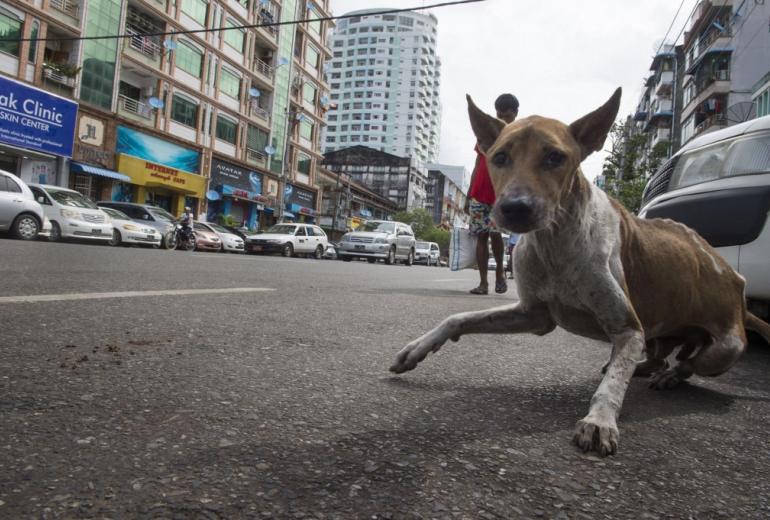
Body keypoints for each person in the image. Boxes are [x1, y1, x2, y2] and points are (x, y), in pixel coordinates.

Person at [466, 93, 519, 295]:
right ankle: (482, 283)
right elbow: (478, 163)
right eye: (499, 114)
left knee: (496, 235)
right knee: (481, 236)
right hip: (480, 193)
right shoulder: (487, 133)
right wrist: (469, 193)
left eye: (507, 115)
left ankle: (499, 274)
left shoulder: (518, 136)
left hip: (501, 195)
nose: (502, 118)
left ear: (515, 114)